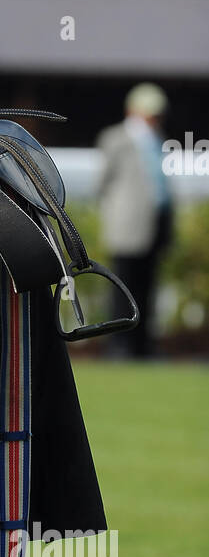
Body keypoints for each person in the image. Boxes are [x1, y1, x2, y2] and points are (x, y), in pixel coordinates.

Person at [96, 83, 174, 358]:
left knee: (148, 287)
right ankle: (120, 345)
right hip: (127, 225)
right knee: (123, 286)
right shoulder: (116, 138)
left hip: (155, 223)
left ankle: (143, 346)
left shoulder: (157, 139)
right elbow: (104, 183)